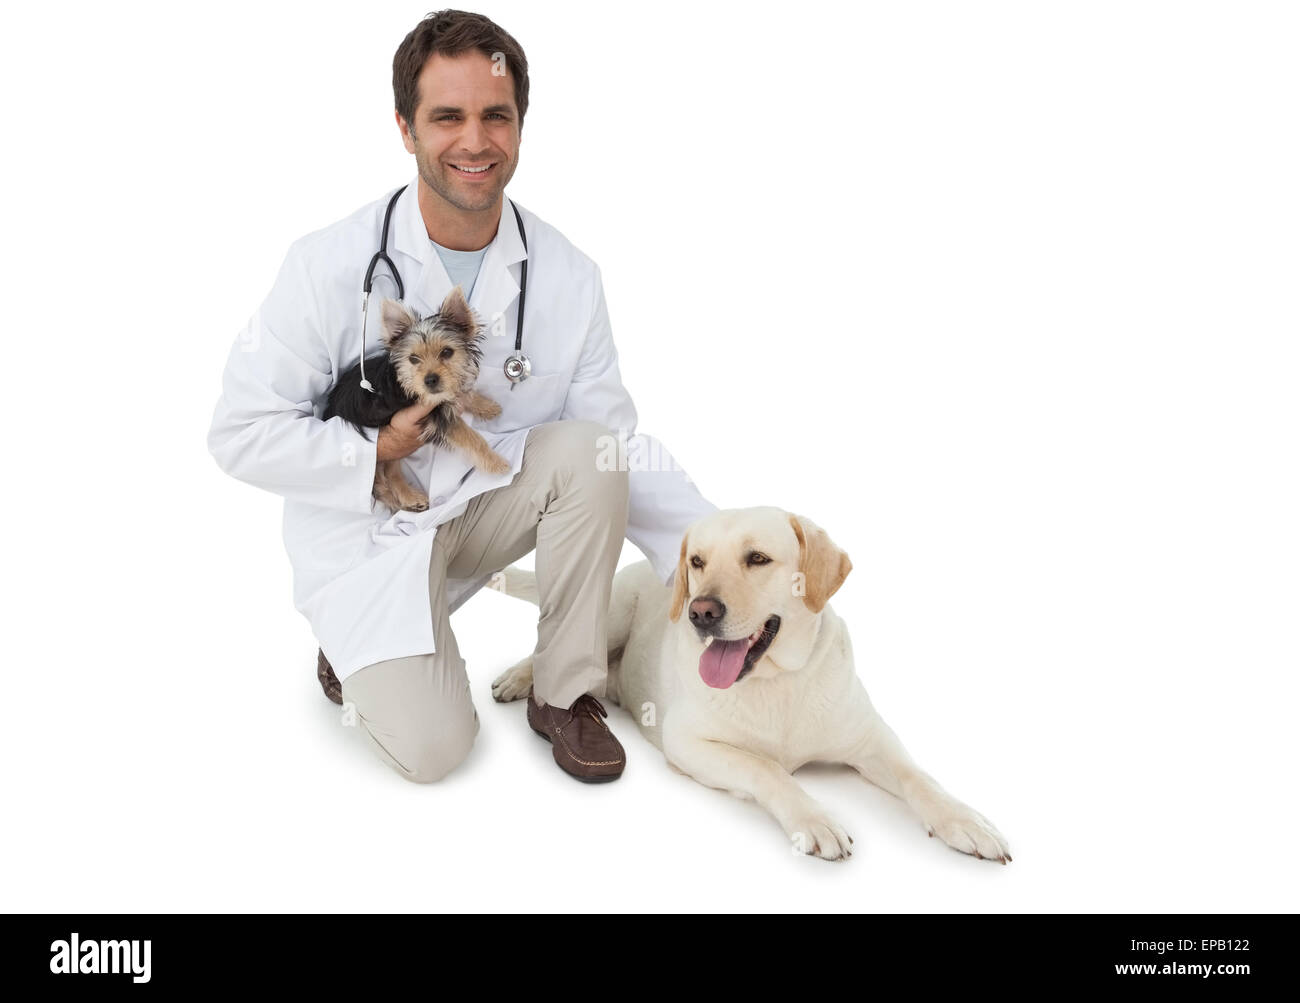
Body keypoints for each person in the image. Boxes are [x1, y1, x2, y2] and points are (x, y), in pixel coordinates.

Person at [207, 10, 716, 785]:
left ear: (519, 125)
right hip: (366, 537)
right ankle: (355, 648)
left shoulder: (570, 274)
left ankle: (566, 691)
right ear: (405, 129)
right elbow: (238, 432)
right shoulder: (326, 263)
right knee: (437, 751)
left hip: (482, 512)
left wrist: (724, 560)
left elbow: (614, 447)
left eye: (495, 115)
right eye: (447, 116)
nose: (474, 141)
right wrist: (377, 448)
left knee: (587, 451)